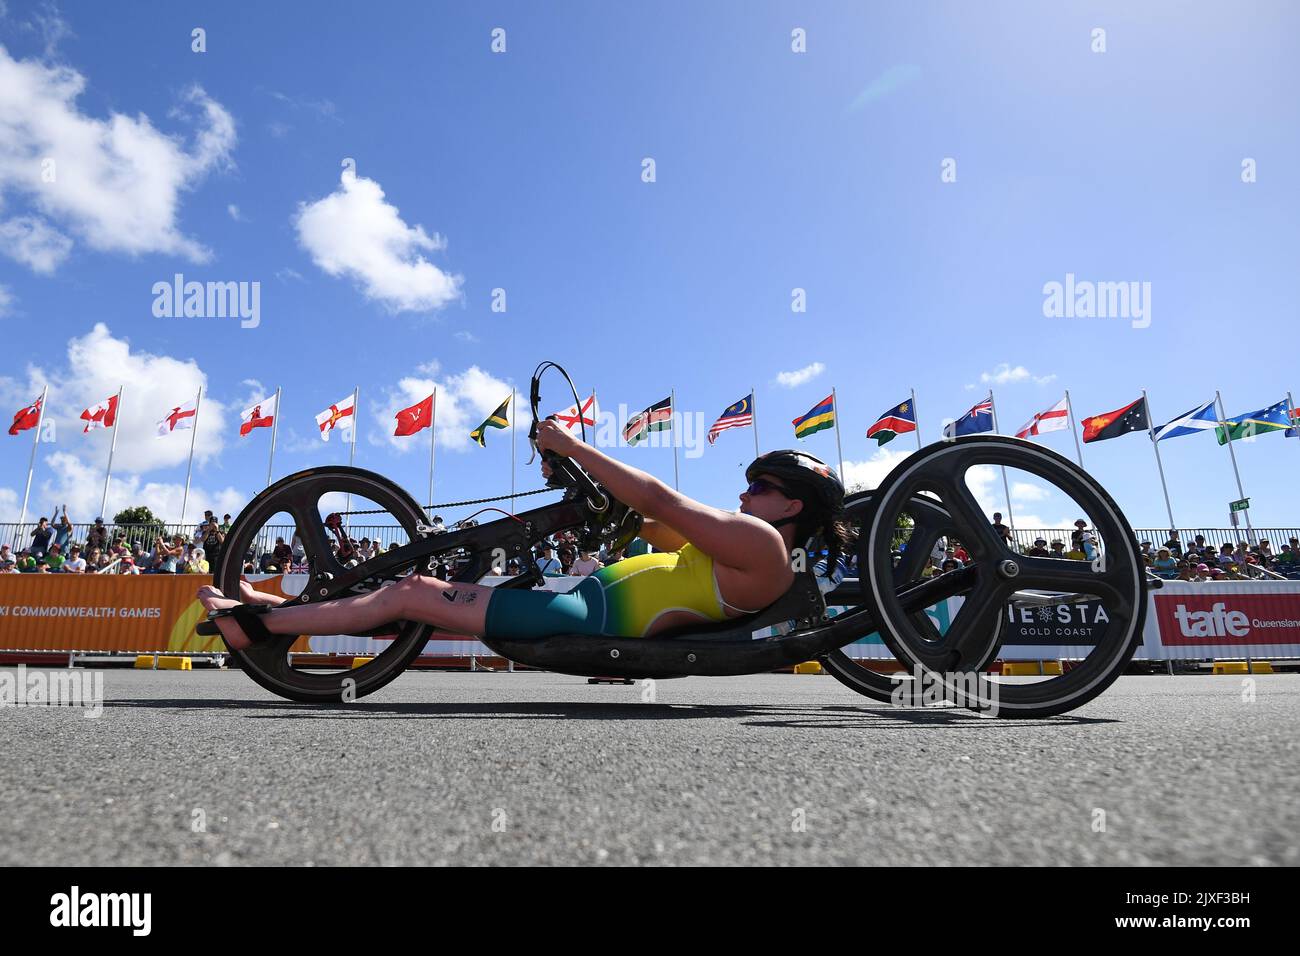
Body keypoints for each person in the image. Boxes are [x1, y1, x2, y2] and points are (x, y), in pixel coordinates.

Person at [196, 429, 850, 650]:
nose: (745, 494)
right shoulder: (746, 546)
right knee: (418, 593)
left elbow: (657, 500)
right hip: (587, 596)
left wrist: (573, 445)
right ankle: (281, 612)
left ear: (791, 503)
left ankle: (258, 627)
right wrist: (587, 493)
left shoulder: (762, 547)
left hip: (583, 612)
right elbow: (645, 521)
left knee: (413, 591)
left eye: (759, 486)